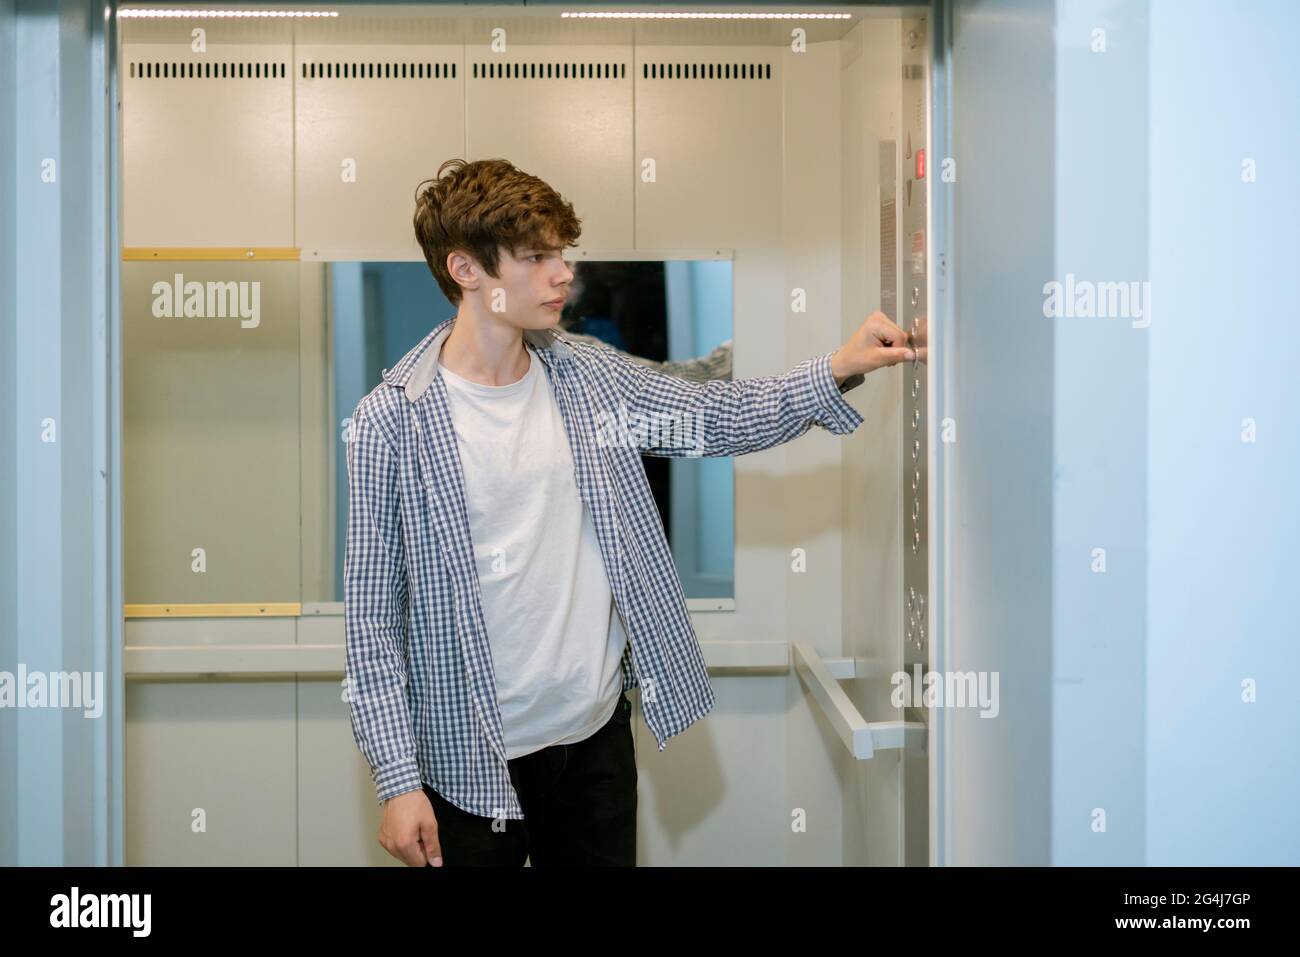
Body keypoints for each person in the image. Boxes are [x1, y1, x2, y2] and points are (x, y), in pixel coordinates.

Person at [344, 157, 914, 868]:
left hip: (592, 741)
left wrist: (839, 365)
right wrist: (398, 780)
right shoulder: (391, 421)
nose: (564, 274)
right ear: (466, 269)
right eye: (536, 256)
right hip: (464, 758)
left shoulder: (589, 376)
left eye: (562, 253)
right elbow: (371, 623)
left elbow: (714, 416)